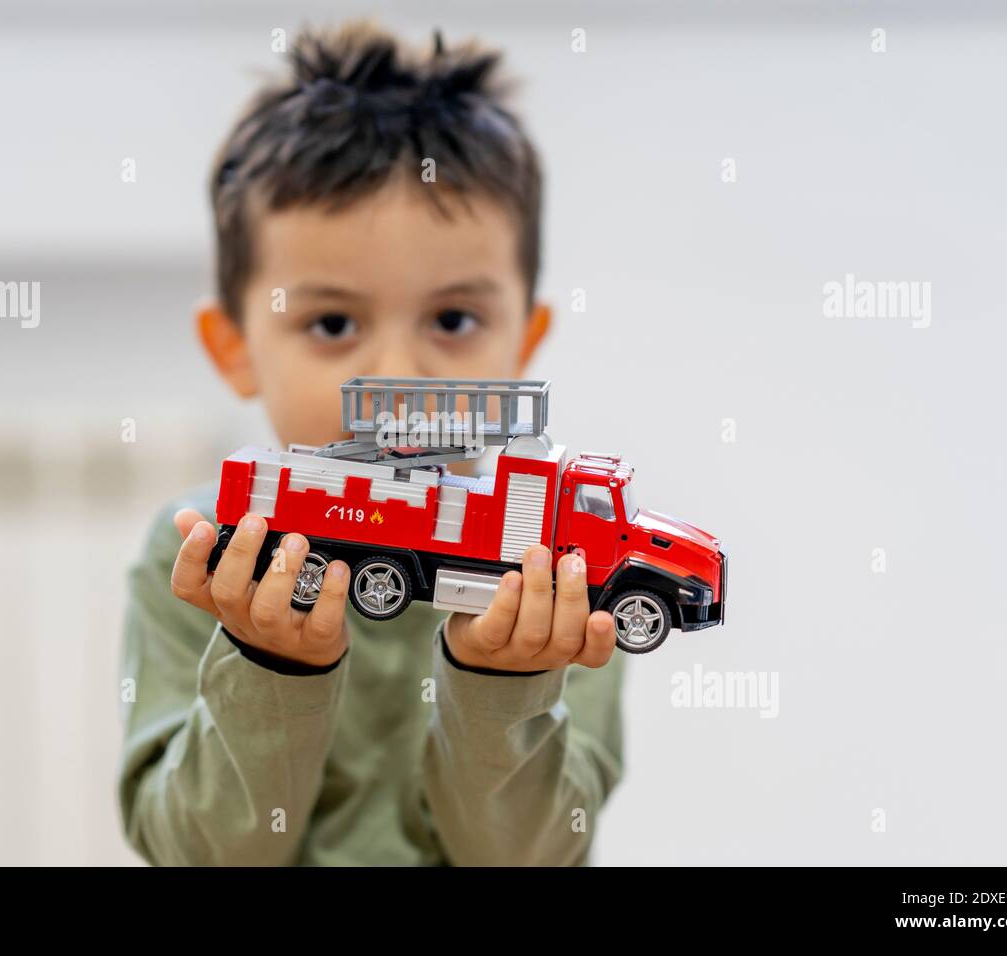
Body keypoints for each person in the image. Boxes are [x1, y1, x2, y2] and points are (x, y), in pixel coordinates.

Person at [116, 20, 626, 866]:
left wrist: (503, 687)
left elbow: (528, 857)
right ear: (235, 347)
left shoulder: (562, 572)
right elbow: (199, 853)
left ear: (523, 344)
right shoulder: (199, 557)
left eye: (454, 319)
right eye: (333, 322)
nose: (400, 373)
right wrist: (267, 666)